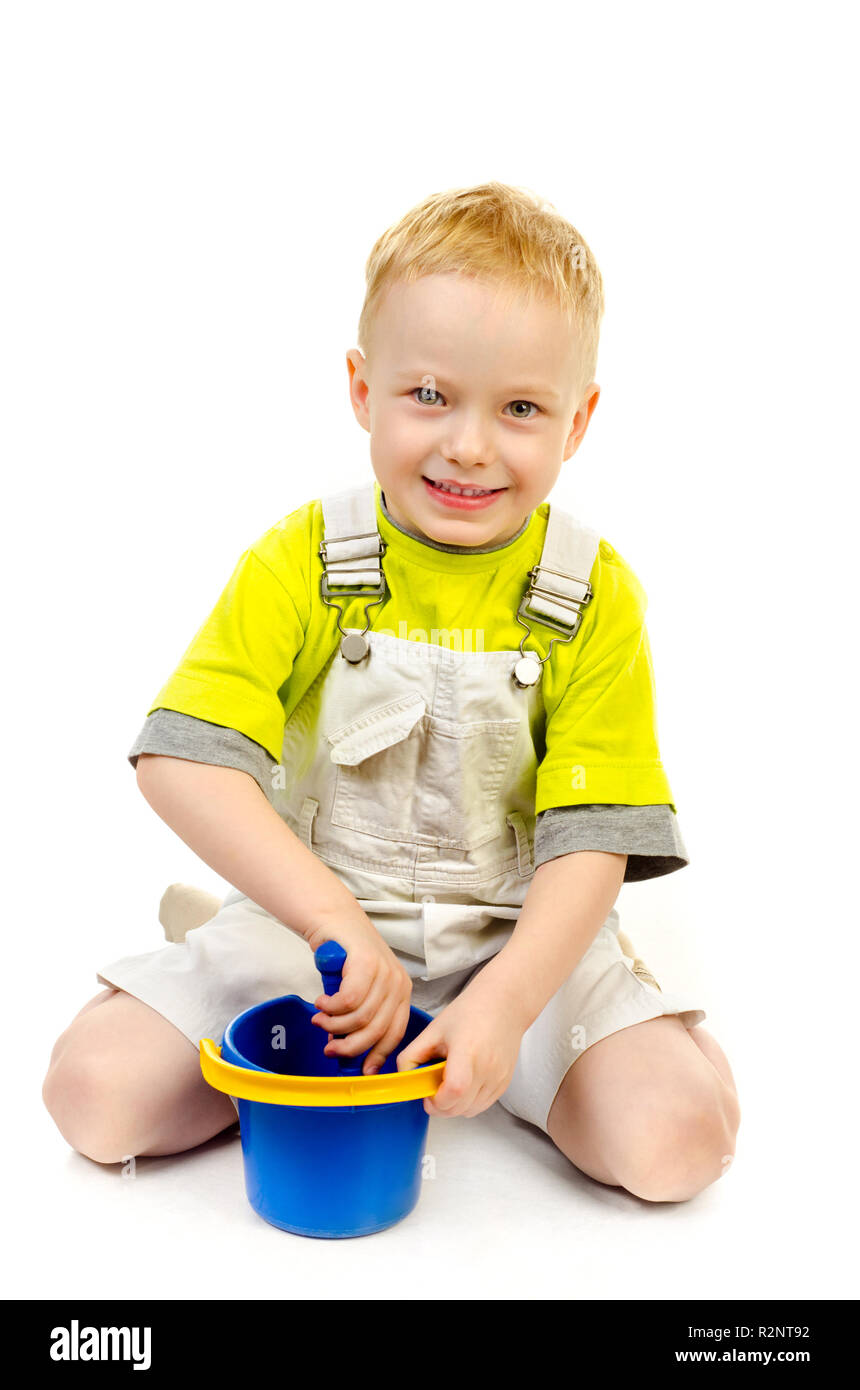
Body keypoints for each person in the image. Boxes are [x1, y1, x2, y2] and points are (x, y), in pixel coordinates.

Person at [42, 181, 740, 1203]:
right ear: (363, 389)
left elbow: (595, 831)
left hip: (518, 948)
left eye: (518, 408)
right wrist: (327, 920)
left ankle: (618, 1022)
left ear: (577, 419)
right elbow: (178, 762)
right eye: (428, 395)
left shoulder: (591, 592)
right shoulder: (305, 559)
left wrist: (503, 1004)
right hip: (318, 941)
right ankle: (248, 973)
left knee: (677, 1145)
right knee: (93, 1100)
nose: (467, 444)